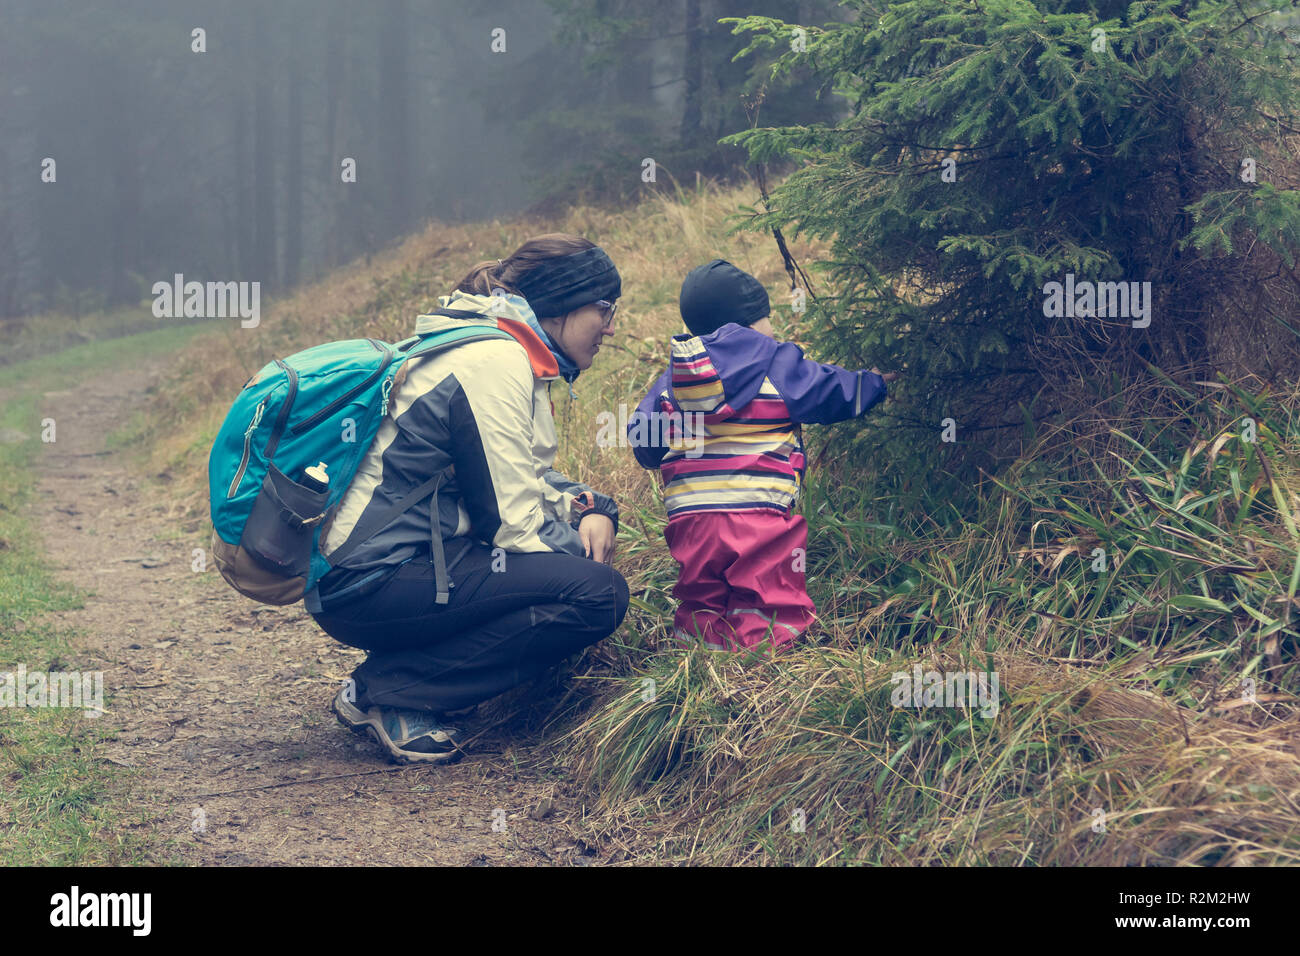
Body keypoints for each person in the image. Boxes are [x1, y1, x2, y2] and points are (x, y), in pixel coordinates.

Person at [306, 234, 628, 764]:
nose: (612, 326)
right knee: (596, 595)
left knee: (571, 579)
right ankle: (386, 693)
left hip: (370, 571)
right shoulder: (494, 360)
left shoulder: (492, 346)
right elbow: (511, 526)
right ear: (562, 302)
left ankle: (398, 682)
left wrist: (593, 506)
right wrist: (579, 555)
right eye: (604, 307)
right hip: (367, 581)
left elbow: (520, 477)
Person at [629, 259, 897, 653]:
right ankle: (764, 658)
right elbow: (829, 392)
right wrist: (872, 383)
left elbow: (645, 443)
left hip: (692, 519)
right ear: (753, 324)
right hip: (759, 513)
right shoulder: (777, 362)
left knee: (701, 595)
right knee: (768, 593)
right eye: (767, 318)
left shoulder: (672, 381)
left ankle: (700, 656)